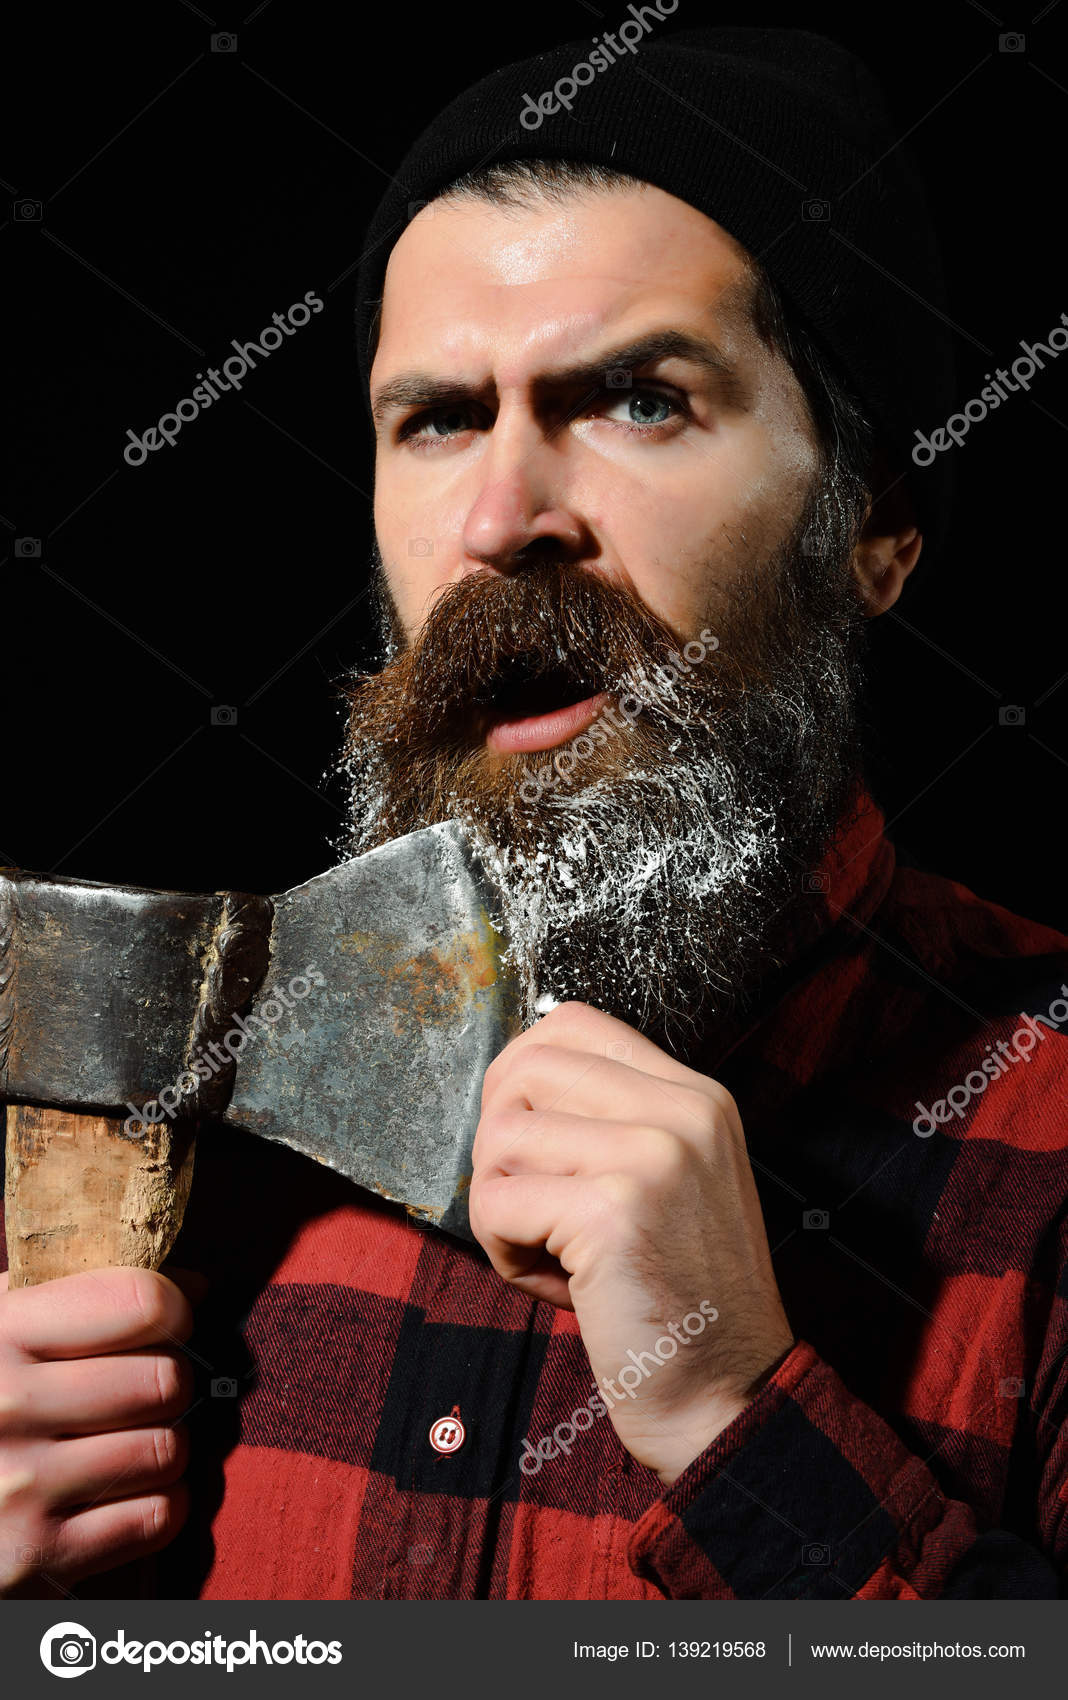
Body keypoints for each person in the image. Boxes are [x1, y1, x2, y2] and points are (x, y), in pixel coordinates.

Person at [1, 27, 1064, 1602]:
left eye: (637, 399)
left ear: (877, 525)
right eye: (437, 419)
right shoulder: (185, 1150)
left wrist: (735, 1414)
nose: (501, 521)